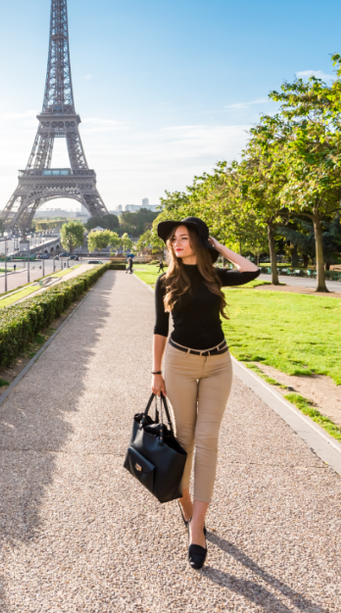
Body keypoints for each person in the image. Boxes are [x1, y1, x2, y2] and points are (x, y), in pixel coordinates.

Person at [150, 216, 258, 570]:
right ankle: (185, 503)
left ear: (198, 241)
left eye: (184, 238)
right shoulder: (166, 279)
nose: (177, 244)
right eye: (173, 240)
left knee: (208, 439)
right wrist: (156, 372)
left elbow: (251, 270)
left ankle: (196, 524)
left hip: (218, 364)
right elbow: (159, 329)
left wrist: (218, 247)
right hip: (180, 364)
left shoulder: (214, 276)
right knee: (185, 441)